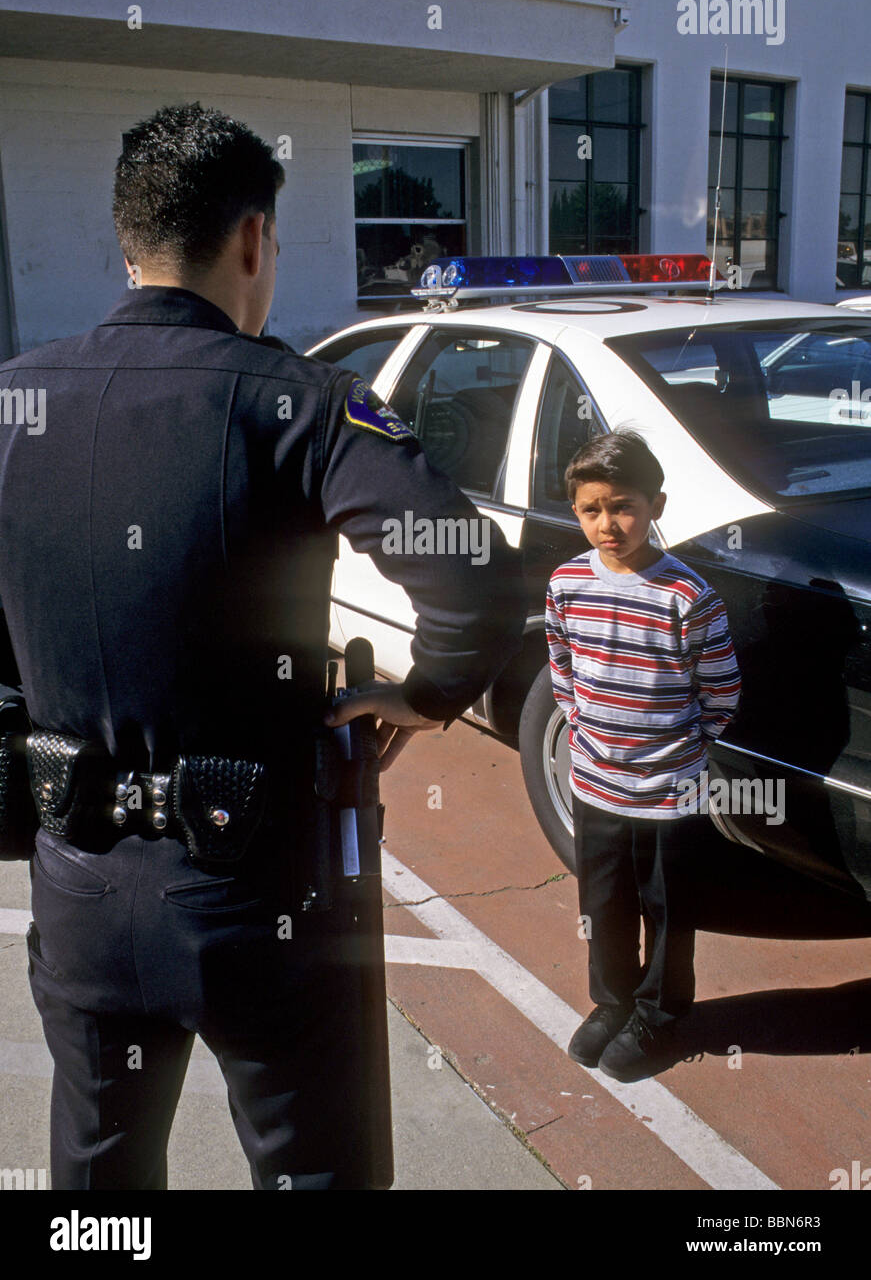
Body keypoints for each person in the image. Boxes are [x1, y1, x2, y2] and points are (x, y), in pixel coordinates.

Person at [0, 102, 527, 1189]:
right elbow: (470, 573)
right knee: (312, 1171)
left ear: (128, 244)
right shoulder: (298, 402)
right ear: (253, 240)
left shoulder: (16, 403)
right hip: (260, 895)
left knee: (97, 1179)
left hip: (79, 882)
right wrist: (428, 693)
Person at [545, 430, 741, 1083]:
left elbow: (720, 689)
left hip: (669, 791)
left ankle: (659, 1016)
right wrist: (581, 726)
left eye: (623, 506)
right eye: (590, 509)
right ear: (574, 510)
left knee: (666, 904)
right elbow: (562, 666)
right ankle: (612, 1002)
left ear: (654, 503)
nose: (608, 523)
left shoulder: (685, 595)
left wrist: (683, 750)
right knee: (602, 900)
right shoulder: (567, 582)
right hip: (594, 784)